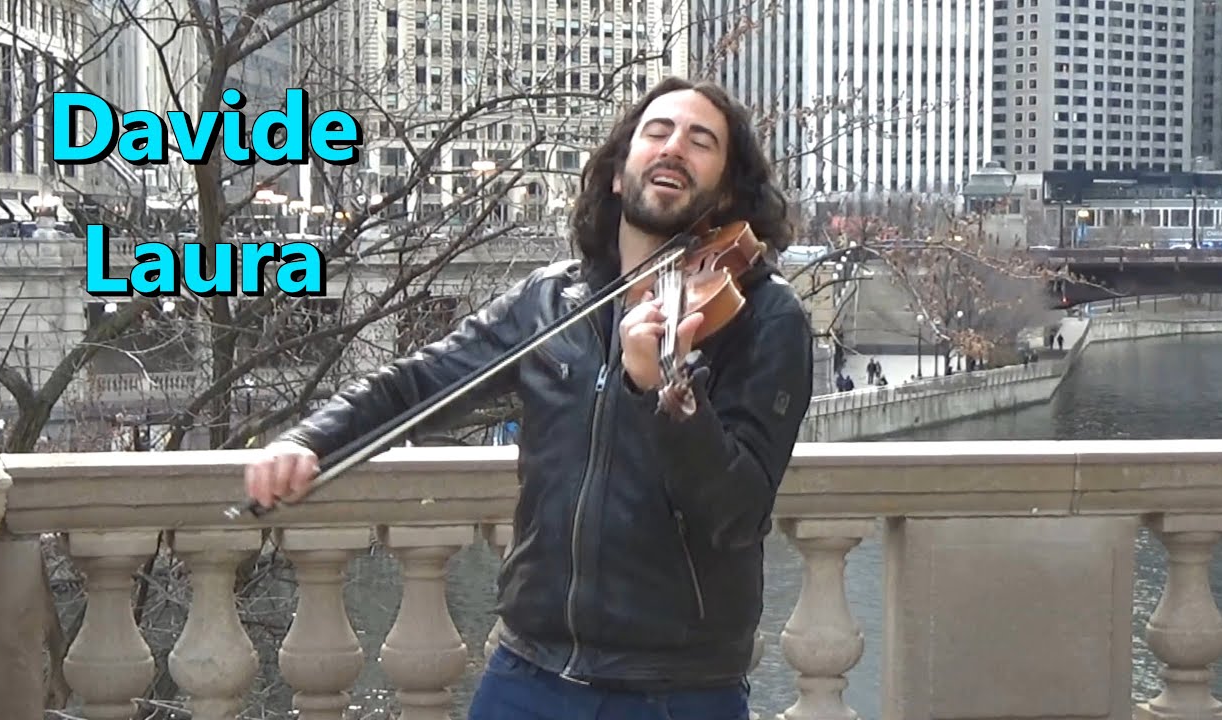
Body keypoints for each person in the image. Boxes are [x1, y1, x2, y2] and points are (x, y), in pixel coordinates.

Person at [243, 76, 814, 720]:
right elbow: (421, 381)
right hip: (530, 671)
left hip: (676, 686)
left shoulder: (764, 317)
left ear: (728, 191)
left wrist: (663, 391)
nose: (674, 147)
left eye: (701, 141)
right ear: (619, 178)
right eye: (658, 132)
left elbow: (736, 511)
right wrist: (310, 438)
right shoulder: (550, 302)